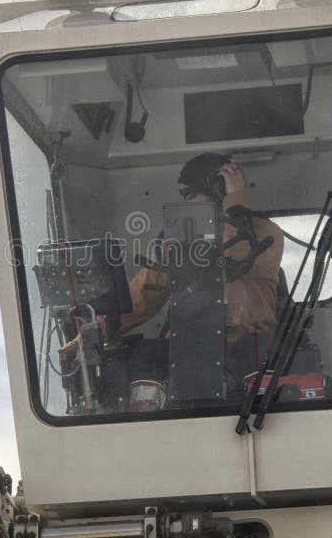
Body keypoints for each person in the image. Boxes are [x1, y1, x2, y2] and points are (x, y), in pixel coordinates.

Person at [61, 153, 284, 391]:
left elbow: (234, 257)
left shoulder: (265, 234)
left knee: (255, 352)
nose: (184, 202)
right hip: (190, 347)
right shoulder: (177, 242)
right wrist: (89, 334)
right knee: (147, 354)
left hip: (247, 343)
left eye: (190, 194)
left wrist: (235, 203)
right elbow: (143, 297)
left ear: (218, 191)